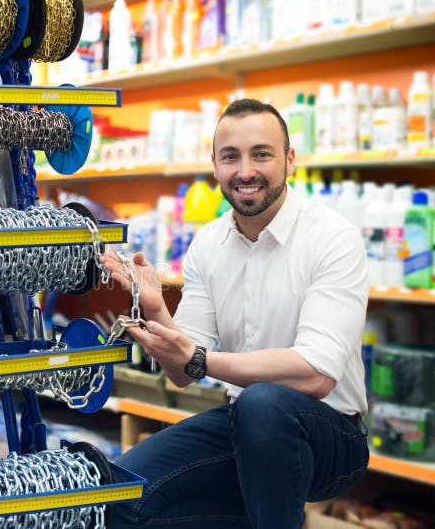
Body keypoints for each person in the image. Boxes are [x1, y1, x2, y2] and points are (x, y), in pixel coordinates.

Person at [101, 99, 369, 528]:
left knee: (264, 404)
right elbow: (182, 371)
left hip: (333, 436)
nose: (245, 171)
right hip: (244, 424)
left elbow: (317, 374)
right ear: (214, 165)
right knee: (120, 494)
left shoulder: (334, 239)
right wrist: (157, 312)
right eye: (231, 157)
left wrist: (200, 359)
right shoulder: (208, 244)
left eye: (261, 154)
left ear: (290, 160)